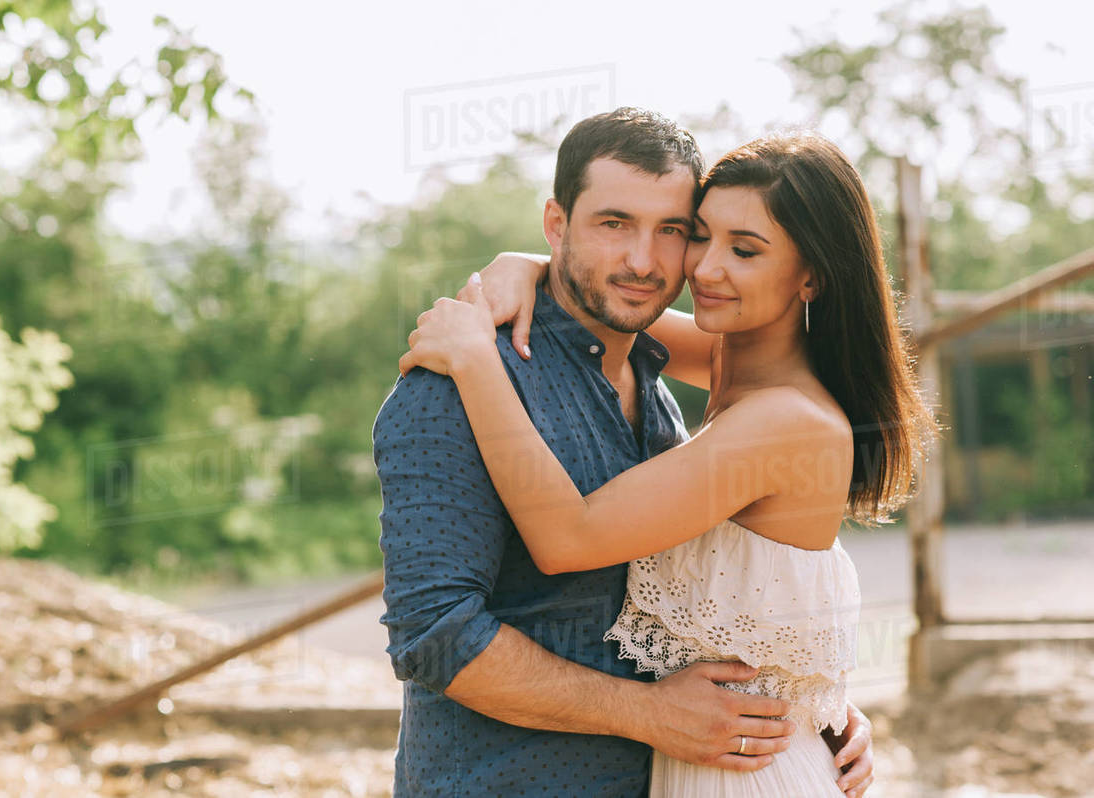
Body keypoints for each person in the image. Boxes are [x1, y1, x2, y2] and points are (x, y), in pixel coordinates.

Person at [398, 129, 933, 795]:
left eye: (745, 250)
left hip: (744, 773)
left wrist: (477, 361)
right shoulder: (727, 360)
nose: (702, 268)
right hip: (717, 750)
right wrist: (523, 262)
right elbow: (609, 295)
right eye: (700, 235)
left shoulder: (783, 421)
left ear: (811, 276)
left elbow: (571, 537)